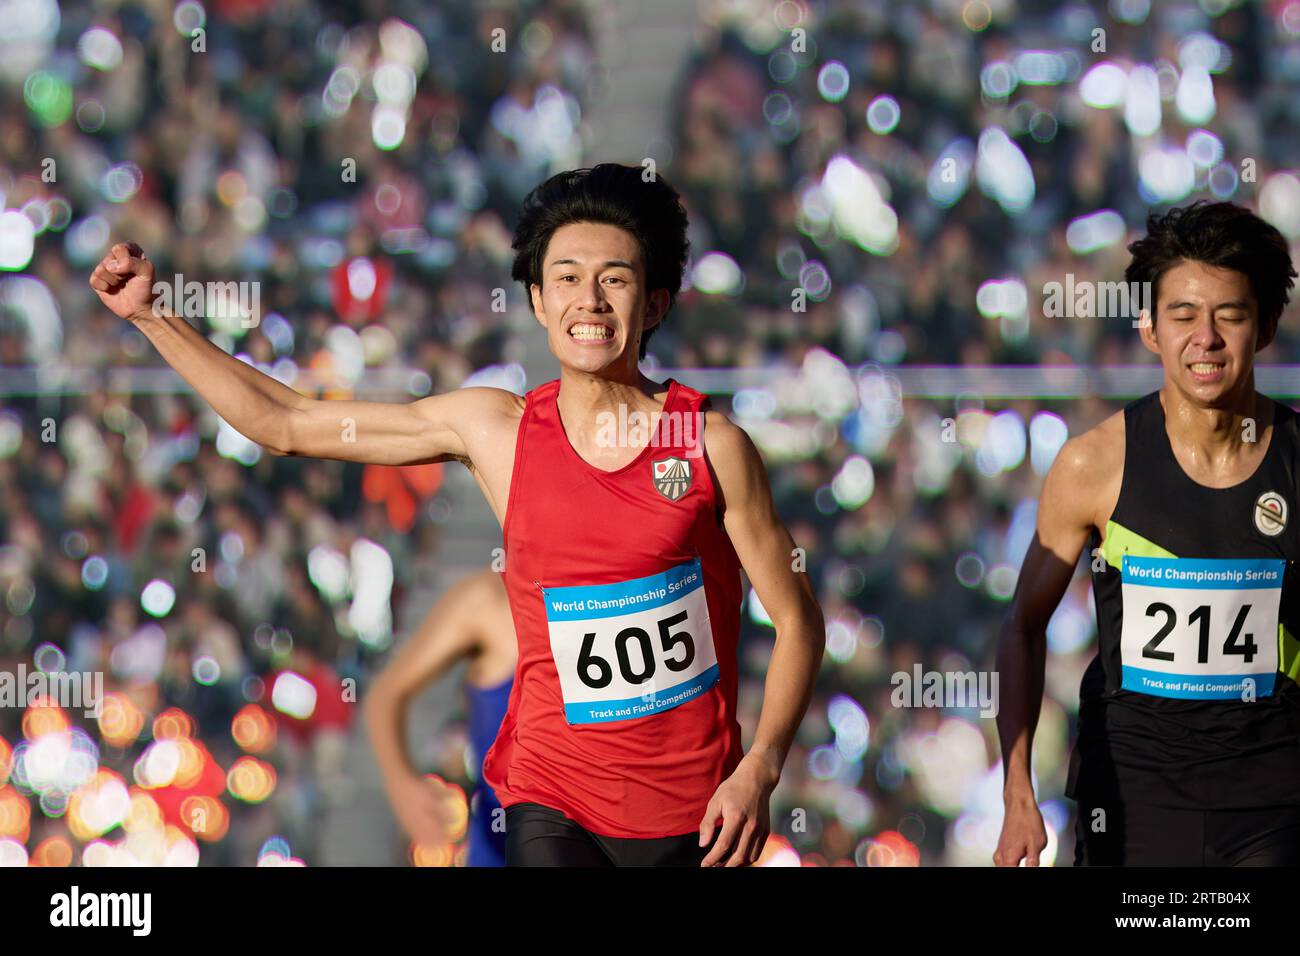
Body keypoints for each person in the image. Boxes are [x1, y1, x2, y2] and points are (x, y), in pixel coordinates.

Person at [89, 162, 826, 867]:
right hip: (552, 798)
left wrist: (760, 767)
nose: (589, 302)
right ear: (538, 302)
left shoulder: (709, 445)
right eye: (566, 279)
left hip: (694, 816)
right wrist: (154, 318)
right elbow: (288, 423)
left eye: (615, 281)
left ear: (655, 303)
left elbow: (796, 620)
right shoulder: (497, 431)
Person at [995, 200, 1300, 867]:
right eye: (1183, 315)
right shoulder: (1091, 466)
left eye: (1231, 315)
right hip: (1131, 808)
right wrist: (1017, 790)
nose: (1206, 339)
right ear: (1149, 329)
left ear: (1269, 325)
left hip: (1275, 810)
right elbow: (1022, 622)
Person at [365, 568, 516, 867]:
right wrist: (401, 784)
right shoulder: (488, 603)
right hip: (502, 847)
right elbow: (385, 695)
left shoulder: (626, 584)